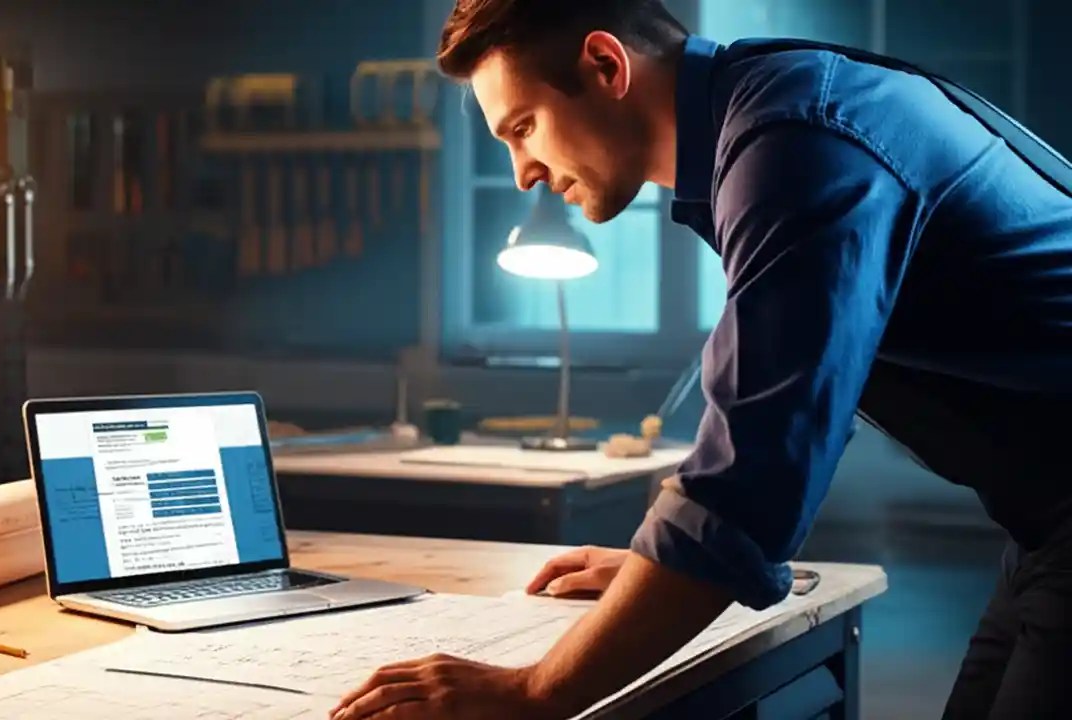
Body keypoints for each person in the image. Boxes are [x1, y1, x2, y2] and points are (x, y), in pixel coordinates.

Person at [328, 0, 1072, 718]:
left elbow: (755, 472)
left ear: (605, 64)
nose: (523, 171)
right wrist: (655, 580)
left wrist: (534, 694)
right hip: (1041, 530)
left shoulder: (795, 143)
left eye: (523, 127)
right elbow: (797, 407)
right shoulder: (767, 110)